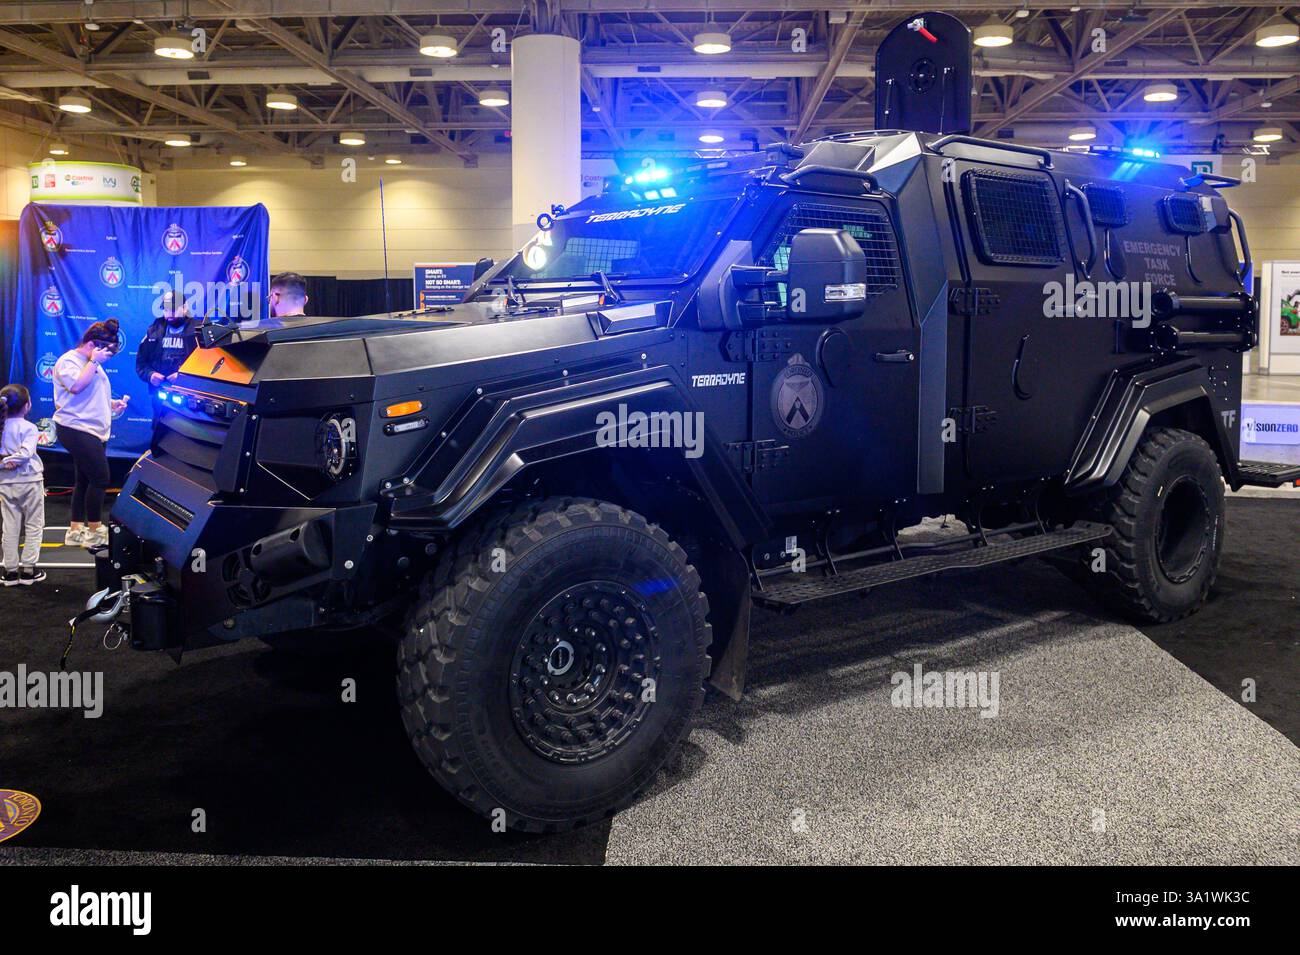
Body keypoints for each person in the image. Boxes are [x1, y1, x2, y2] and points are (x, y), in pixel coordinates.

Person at [53, 320, 128, 548]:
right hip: (75, 427)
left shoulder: (92, 361)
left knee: (84, 479)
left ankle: (76, 530)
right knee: (100, 478)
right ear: (93, 345)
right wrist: (94, 361)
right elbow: (76, 386)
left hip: (93, 429)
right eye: (106, 351)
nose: (109, 356)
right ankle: (94, 530)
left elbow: (91, 392)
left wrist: (112, 403)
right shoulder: (69, 361)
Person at [0, 383, 47, 586]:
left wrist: (4, 461)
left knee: (9, 526)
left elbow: (17, 456)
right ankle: (28, 570)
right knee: (34, 524)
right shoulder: (29, 427)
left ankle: (10, 571)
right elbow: (27, 453)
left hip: (6, 483)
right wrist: (7, 460)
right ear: (27, 406)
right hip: (30, 481)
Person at [136, 290, 200, 388]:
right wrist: (150, 375)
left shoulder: (198, 331)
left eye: (173, 309)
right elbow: (141, 361)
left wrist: (185, 377)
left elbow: (207, 366)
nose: (169, 313)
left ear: (184, 308)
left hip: (189, 393)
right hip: (159, 392)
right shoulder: (154, 329)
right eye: (165, 309)